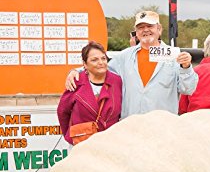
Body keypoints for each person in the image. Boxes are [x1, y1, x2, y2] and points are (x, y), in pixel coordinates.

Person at [66, 11, 198, 118]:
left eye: (150, 26)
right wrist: (77, 71)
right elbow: (102, 69)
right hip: (130, 128)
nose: (145, 30)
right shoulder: (125, 56)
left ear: (159, 29)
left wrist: (186, 67)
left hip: (163, 129)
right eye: (141, 27)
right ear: (136, 32)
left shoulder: (174, 56)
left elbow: (188, 89)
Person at [58, 41, 122, 144]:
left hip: (110, 144)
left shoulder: (117, 81)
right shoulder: (76, 82)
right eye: (94, 60)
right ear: (85, 64)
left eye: (103, 58)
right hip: (82, 144)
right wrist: (71, 135)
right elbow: (63, 111)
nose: (101, 62)